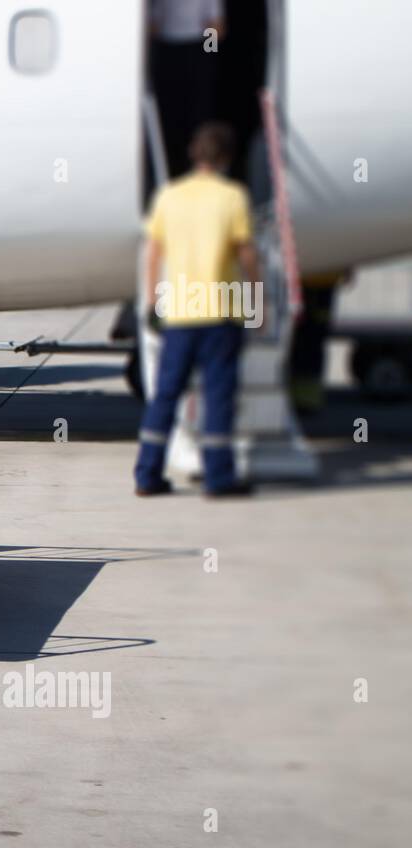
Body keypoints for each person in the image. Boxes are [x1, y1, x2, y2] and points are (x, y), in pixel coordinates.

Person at [135, 122, 260, 498]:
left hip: (179, 315)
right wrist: (257, 302)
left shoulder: (169, 196)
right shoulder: (232, 196)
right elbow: (246, 253)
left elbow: (154, 252)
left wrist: (153, 301)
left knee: (166, 396)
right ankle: (219, 479)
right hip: (220, 314)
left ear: (194, 154)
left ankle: (147, 474)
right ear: (225, 158)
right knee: (218, 396)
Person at [148, 0, 225, 177]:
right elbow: (216, 25)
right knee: (175, 113)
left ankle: (194, 163)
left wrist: (208, 54)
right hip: (174, 49)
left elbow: (215, 25)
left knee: (192, 113)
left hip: (185, 49)